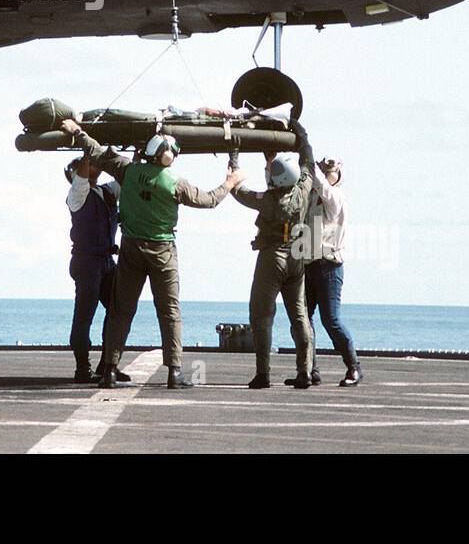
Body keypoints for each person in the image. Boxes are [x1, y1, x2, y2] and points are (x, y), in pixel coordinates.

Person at [60, 118, 244, 388]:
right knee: (169, 312)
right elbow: (209, 200)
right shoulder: (175, 183)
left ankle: (109, 368)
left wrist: (77, 131)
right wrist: (230, 182)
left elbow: (98, 151)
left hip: (130, 250)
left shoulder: (128, 172)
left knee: (121, 310)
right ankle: (174, 372)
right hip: (162, 251)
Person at [231, 119, 316, 389]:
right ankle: (305, 372)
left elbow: (238, 190)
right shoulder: (302, 190)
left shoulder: (269, 201)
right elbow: (308, 163)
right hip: (297, 258)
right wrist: (300, 132)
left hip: (272, 259)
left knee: (261, 315)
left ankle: (263, 374)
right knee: (299, 316)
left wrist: (234, 155)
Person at [62, 153, 130, 384]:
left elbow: (126, 177)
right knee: (84, 316)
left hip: (105, 261)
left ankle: (107, 364)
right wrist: (89, 152)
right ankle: (82, 368)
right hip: (87, 261)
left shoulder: (105, 192)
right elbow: (83, 171)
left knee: (117, 311)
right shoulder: (77, 194)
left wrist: (138, 156)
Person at [300, 155, 362, 386]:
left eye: (332, 168)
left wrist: (308, 155)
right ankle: (309, 370)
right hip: (308, 264)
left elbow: (321, 184)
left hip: (329, 265)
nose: (326, 170)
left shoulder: (335, 197)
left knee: (331, 320)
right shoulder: (311, 196)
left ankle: (353, 367)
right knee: (304, 320)